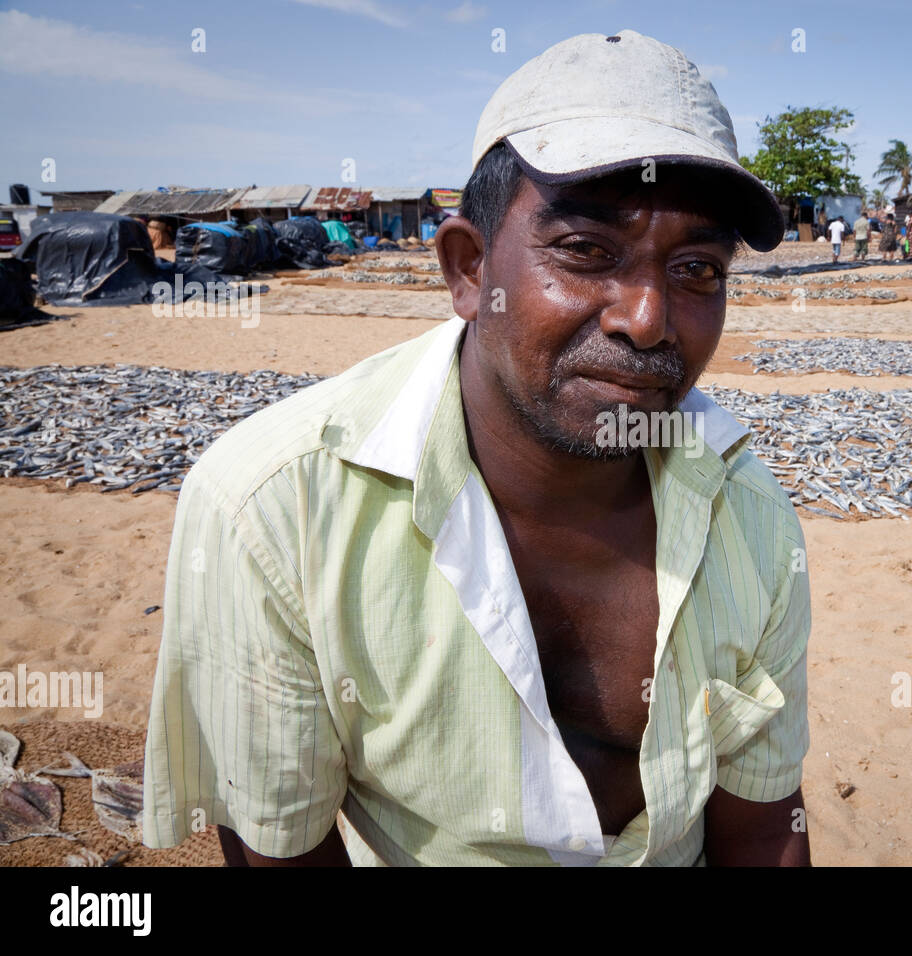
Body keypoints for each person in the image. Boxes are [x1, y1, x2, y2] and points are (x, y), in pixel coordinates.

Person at [141, 29, 812, 868]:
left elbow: (765, 825)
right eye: (585, 252)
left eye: (698, 270)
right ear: (468, 268)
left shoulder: (748, 511)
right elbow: (280, 848)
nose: (646, 319)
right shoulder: (274, 509)